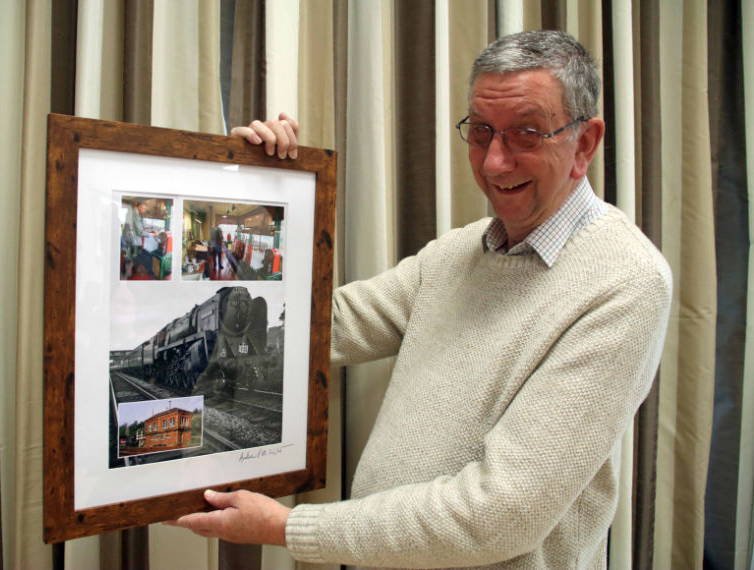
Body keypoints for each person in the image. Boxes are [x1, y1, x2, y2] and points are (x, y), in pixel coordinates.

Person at [166, 30, 672, 569]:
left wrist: (292, 527)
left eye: (525, 134)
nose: (494, 163)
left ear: (586, 143)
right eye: (480, 132)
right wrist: (259, 196)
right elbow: (324, 328)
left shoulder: (626, 283)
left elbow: (503, 514)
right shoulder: (460, 252)